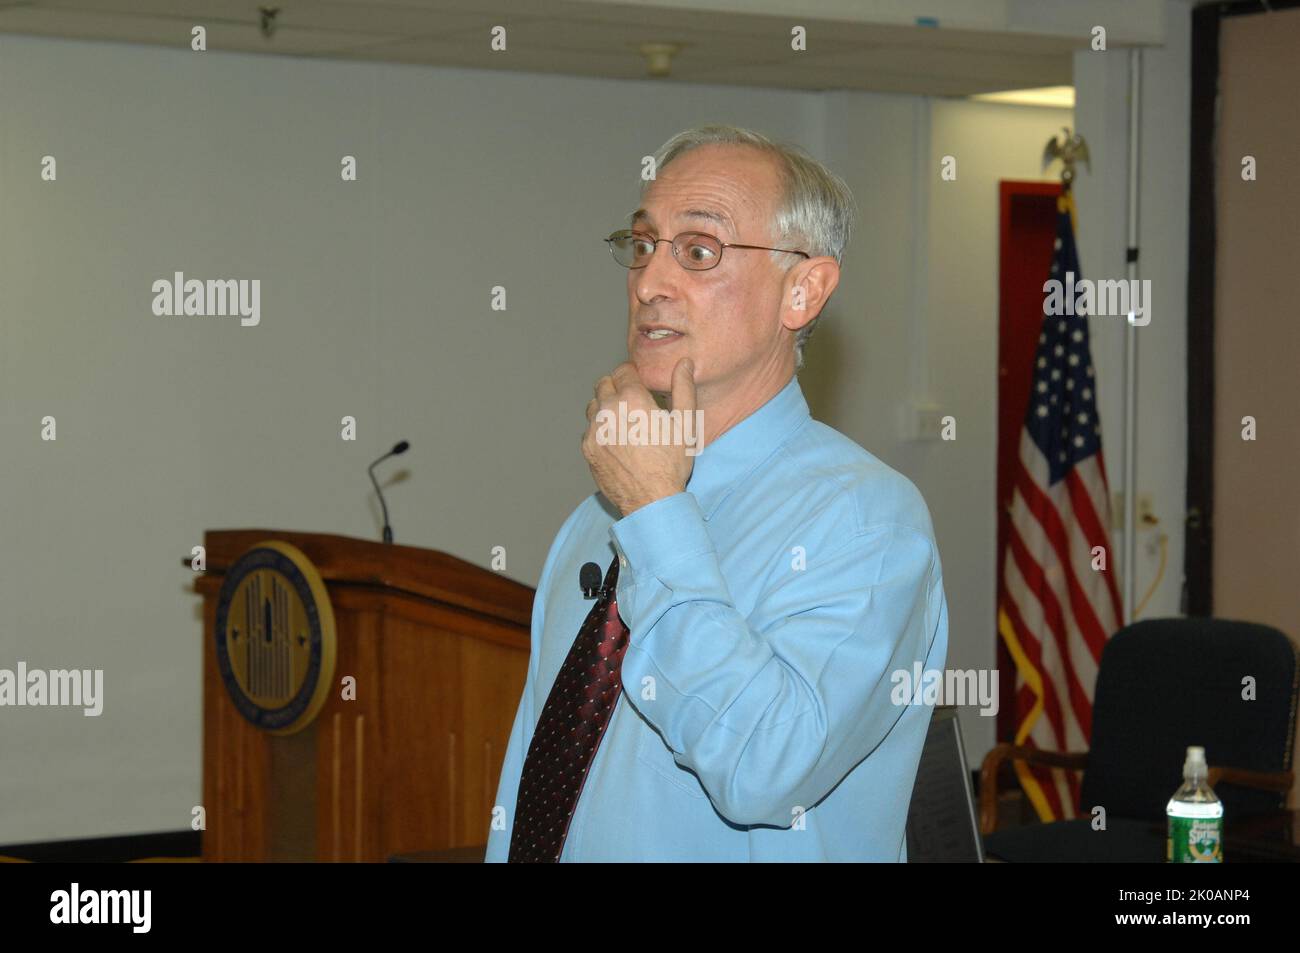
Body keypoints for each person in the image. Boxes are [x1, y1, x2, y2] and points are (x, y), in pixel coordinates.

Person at [485, 124, 949, 861]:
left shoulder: (865, 519)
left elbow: (766, 765)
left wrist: (656, 515)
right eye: (643, 245)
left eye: (697, 252)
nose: (648, 283)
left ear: (804, 289)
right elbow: (534, 783)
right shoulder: (595, 517)